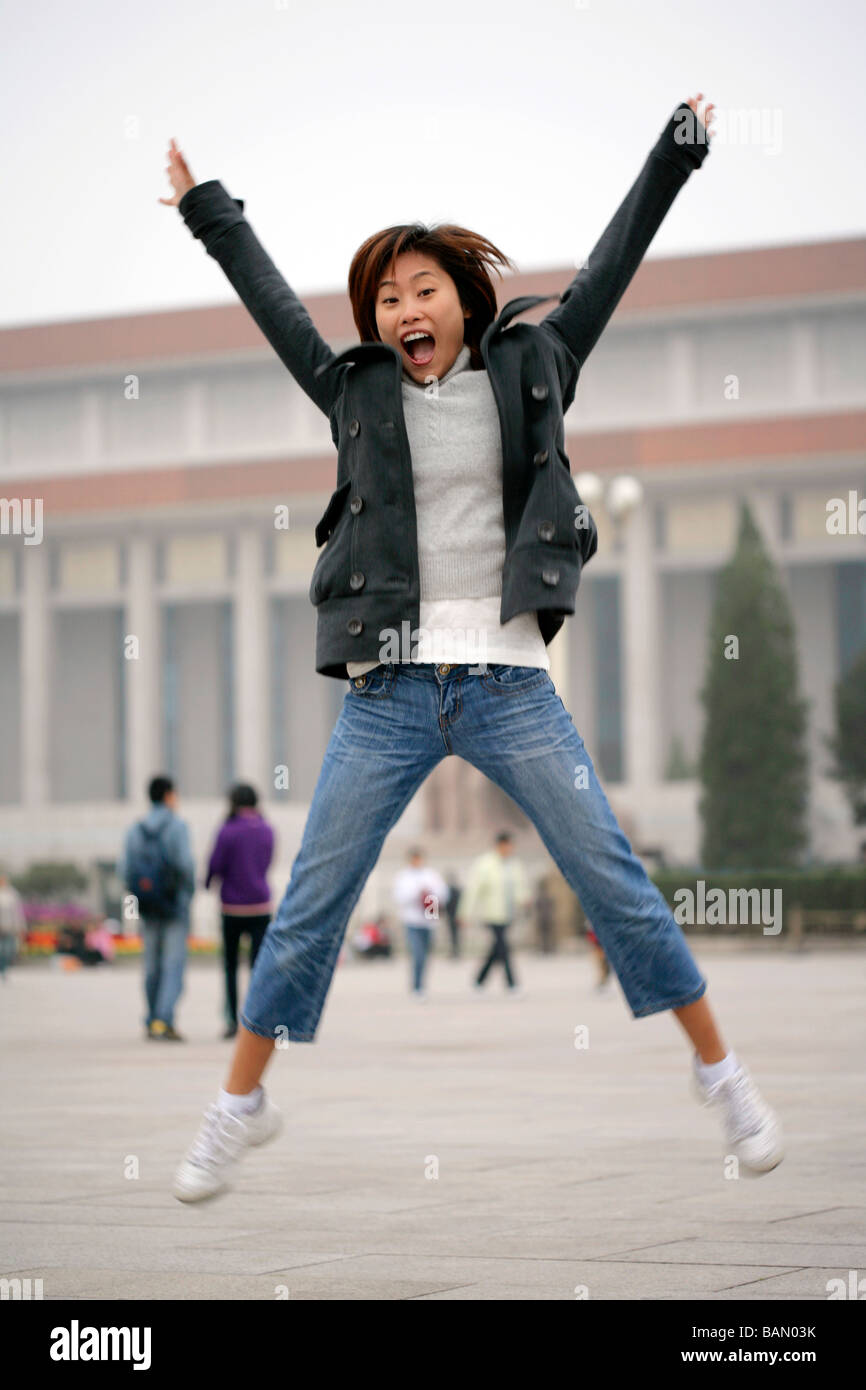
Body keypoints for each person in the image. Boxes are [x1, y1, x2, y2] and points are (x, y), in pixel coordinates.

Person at [162, 94, 783, 1205]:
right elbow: (272, 310)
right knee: (313, 897)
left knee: (613, 880)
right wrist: (208, 210)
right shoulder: (351, 390)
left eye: (422, 291)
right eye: (385, 297)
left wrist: (673, 151)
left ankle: (719, 1074)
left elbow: (611, 263)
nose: (404, 308)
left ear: (460, 298)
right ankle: (239, 1104)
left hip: (507, 685)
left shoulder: (535, 361)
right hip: (390, 688)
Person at [120, 776, 196, 1041]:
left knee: (151, 963)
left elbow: (126, 870)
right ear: (168, 795)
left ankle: (152, 1019)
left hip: (148, 905)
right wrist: (188, 895)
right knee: (173, 963)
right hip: (174, 905)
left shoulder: (135, 829)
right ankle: (164, 1020)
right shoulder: (177, 826)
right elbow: (186, 865)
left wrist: (141, 895)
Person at [205, 784, 275, 1040]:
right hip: (260, 906)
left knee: (231, 966)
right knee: (259, 968)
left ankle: (233, 1021)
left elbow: (215, 864)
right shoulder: (267, 830)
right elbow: (267, 862)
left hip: (232, 907)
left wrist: (208, 881)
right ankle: (256, 1021)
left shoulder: (227, 830)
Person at [458, 832, 530, 995]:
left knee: (496, 949)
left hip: (508, 914)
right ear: (500, 845)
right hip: (491, 914)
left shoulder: (514, 865)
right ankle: (512, 984)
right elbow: (473, 890)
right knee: (503, 948)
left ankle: (479, 980)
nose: (509, 849)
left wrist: (524, 900)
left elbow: (520, 887)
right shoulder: (485, 864)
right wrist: (464, 913)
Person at [392, 846, 449, 998]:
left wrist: (430, 893)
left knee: (425, 954)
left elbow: (443, 894)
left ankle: (422, 983)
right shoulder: (403, 877)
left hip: (429, 921)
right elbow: (399, 898)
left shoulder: (431, 875)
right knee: (417, 953)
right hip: (412, 921)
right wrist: (417, 893)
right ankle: (416, 985)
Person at [0, 873, 26, 980]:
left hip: (10, 927)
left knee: (8, 951)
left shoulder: (12, 894)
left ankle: (3, 970)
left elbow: (17, 913)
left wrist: (21, 927)